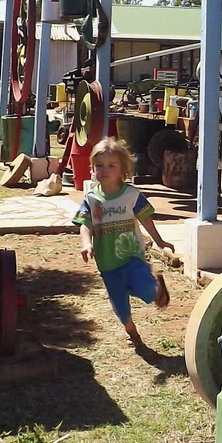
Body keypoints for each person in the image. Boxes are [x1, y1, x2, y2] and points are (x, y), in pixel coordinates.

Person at [73, 137, 173, 345]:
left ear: (122, 170)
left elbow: (145, 218)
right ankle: (132, 333)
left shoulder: (131, 195)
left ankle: (156, 288)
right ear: (92, 168)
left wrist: (159, 241)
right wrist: (86, 243)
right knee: (119, 304)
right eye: (99, 166)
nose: (104, 170)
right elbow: (85, 224)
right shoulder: (91, 199)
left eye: (111, 165)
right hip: (107, 263)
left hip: (132, 256)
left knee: (145, 290)